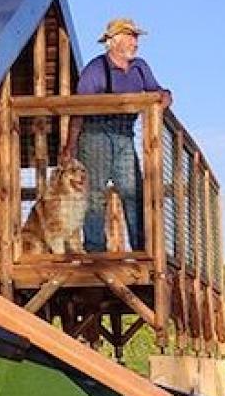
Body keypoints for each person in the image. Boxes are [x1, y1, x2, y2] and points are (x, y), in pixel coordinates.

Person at [60, 17, 171, 251]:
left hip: (124, 136)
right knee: (94, 194)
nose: (135, 43)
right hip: (96, 134)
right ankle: (95, 251)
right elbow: (78, 110)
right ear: (114, 41)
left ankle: (143, 249)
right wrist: (70, 146)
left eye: (136, 37)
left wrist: (165, 96)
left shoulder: (140, 67)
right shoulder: (95, 69)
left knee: (133, 192)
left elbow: (157, 91)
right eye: (131, 37)